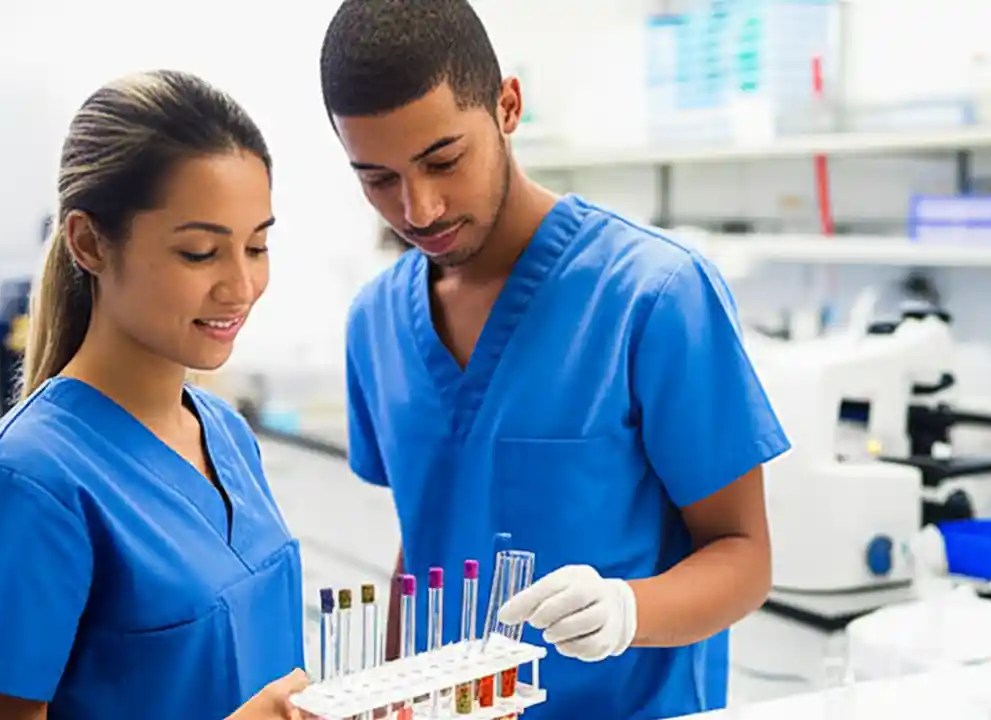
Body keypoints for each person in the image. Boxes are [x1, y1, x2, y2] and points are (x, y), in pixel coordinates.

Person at [320, 3, 790, 718]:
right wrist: (390, 696)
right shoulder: (375, 322)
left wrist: (628, 610)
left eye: (443, 160)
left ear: (508, 106)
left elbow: (743, 556)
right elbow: (425, 546)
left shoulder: (654, 295)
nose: (419, 208)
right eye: (377, 179)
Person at [0, 70, 309, 720]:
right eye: (200, 253)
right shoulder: (30, 484)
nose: (242, 285)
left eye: (257, 245)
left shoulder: (224, 433)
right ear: (88, 241)